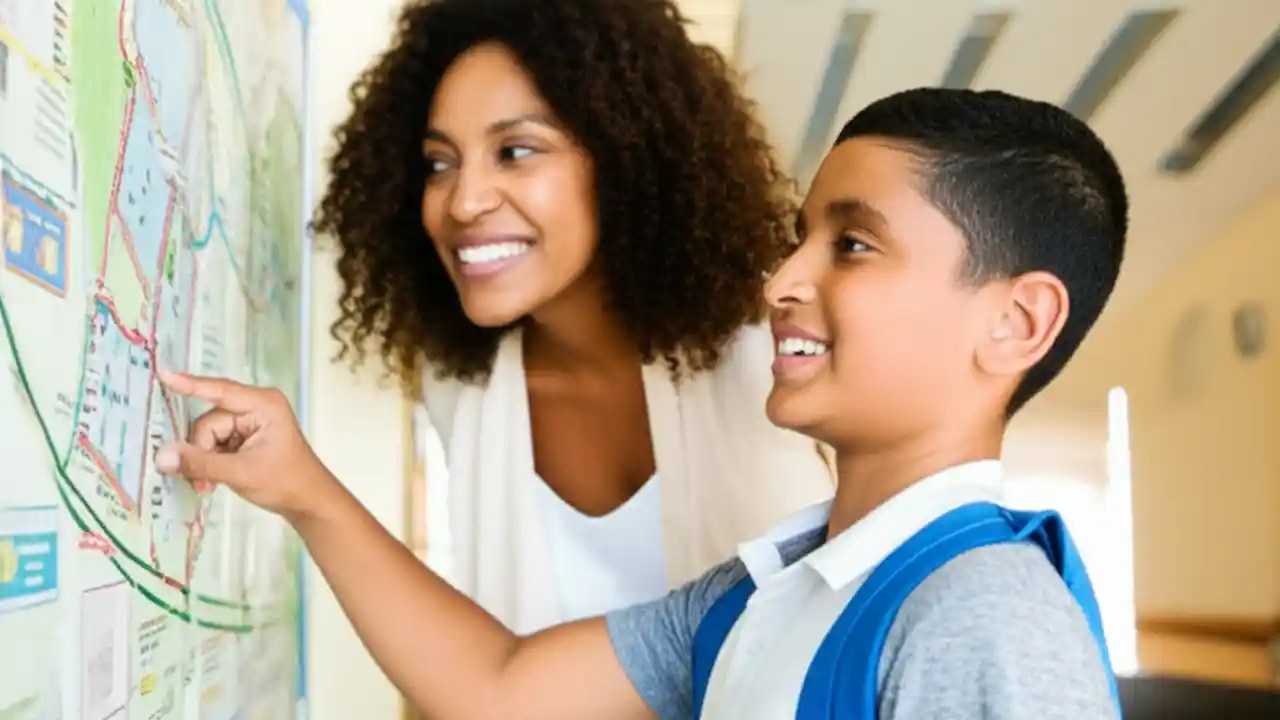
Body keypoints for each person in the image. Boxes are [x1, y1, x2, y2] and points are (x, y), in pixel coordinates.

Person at [155, 86, 1127, 719]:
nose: (780, 279)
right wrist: (301, 486)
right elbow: (496, 689)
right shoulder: (754, 596)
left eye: (852, 245)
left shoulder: (984, 614)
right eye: (798, 237)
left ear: (1015, 323)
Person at [311, 0, 834, 631]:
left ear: (624, 158)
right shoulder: (464, 391)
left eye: (516, 151)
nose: (464, 201)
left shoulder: (779, 350)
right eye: (439, 164)